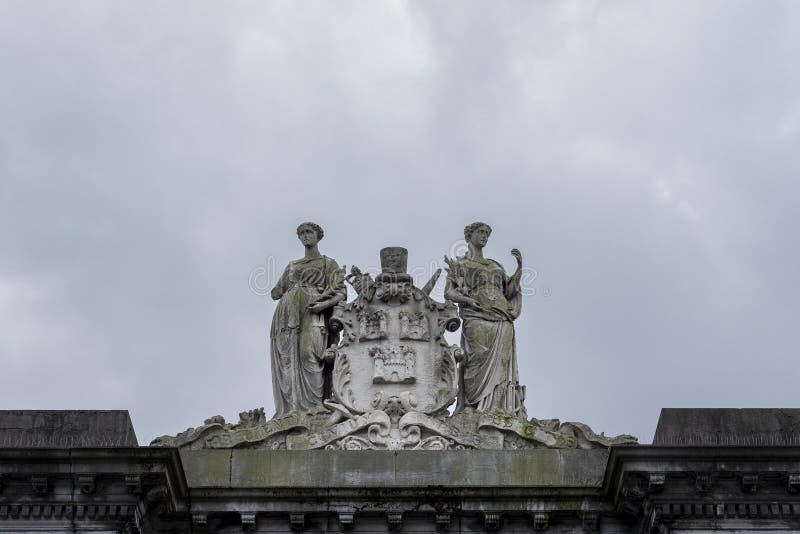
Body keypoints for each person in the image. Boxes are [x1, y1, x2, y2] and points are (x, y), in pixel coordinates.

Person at [445, 222, 527, 418]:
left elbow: (509, 290)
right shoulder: (460, 265)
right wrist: (467, 300)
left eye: (487, 234)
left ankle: (498, 409)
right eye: (480, 232)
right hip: (476, 317)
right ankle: (472, 409)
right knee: (475, 361)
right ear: (468, 236)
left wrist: (519, 269)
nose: (484, 236)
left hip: (502, 318)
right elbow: (449, 292)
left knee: (502, 364)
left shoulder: (495, 265)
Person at [270, 222, 346, 418]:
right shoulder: (292, 266)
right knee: (288, 359)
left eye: (309, 232)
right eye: (302, 233)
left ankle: (315, 406)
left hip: (315, 314)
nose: (305, 236)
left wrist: (322, 305)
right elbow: (276, 293)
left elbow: (341, 293)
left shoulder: (328, 263)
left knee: (309, 353)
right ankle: (290, 409)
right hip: (287, 316)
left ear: (318, 236)